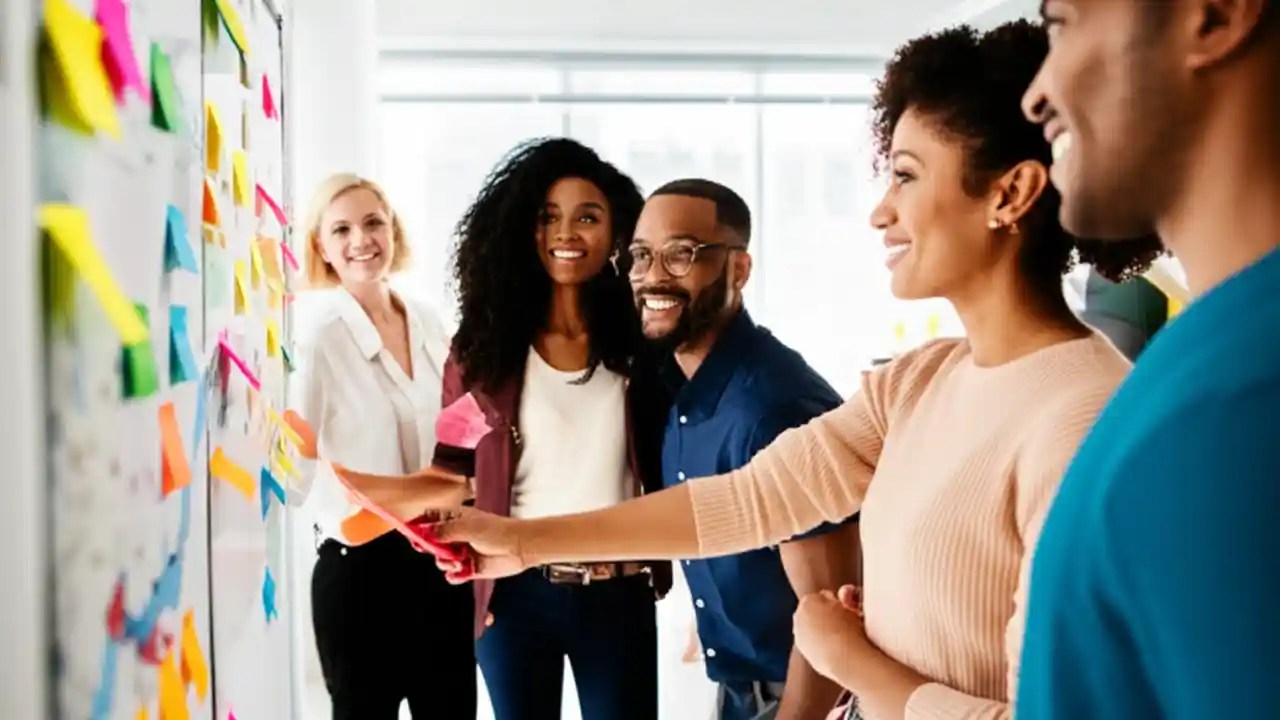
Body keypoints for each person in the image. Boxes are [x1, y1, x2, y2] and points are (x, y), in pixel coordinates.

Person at [419, 21, 1164, 720]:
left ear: (1010, 194)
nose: (880, 211)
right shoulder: (918, 381)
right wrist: (523, 540)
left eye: (905, 175)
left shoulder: (1081, 420)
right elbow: (745, 501)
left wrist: (852, 658)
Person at [1016, 0, 1280, 717]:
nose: (1035, 95)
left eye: (1063, 22)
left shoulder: (1235, 410)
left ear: (1215, 15)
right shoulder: (1208, 370)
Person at [433, 137, 671, 720]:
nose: (566, 234)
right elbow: (450, 471)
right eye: (549, 218)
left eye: (587, 218)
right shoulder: (481, 354)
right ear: (525, 230)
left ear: (618, 234)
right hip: (515, 596)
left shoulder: (642, 348)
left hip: (619, 589)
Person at [627, 178, 861, 719]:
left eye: (681, 254)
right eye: (641, 256)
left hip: (799, 697)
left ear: (738, 269)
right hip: (739, 689)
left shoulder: (775, 406)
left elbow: (830, 611)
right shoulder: (679, 390)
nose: (653, 275)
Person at [288, 173, 475, 719]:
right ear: (321, 247)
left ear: (392, 229)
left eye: (373, 222)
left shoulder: (428, 320)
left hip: (441, 561)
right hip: (361, 573)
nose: (361, 240)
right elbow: (299, 474)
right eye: (340, 229)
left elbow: (460, 436)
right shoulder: (318, 334)